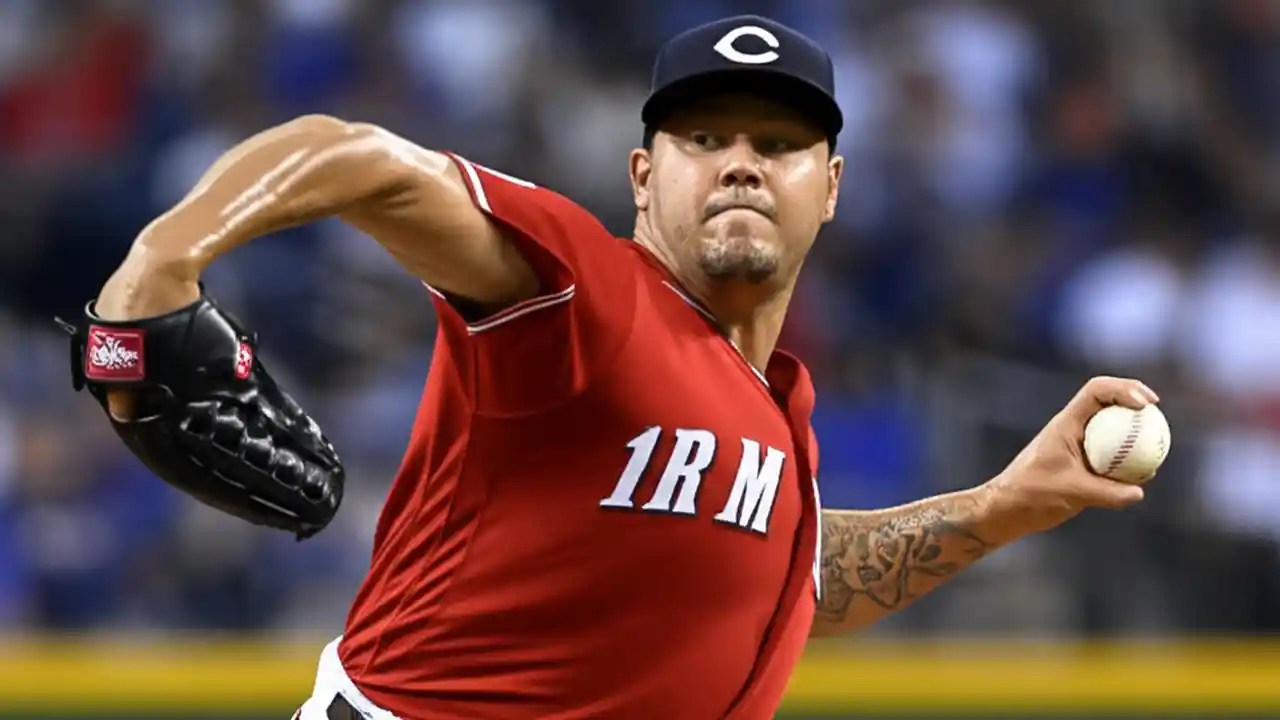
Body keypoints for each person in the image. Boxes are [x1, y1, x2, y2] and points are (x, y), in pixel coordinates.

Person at [91, 15, 1158, 720]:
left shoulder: (777, 410)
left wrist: (1002, 506)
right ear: (644, 176)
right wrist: (158, 262)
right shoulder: (579, 293)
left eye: (777, 144)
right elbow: (352, 155)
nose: (741, 159)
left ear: (827, 188)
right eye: (705, 135)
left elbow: (790, 578)